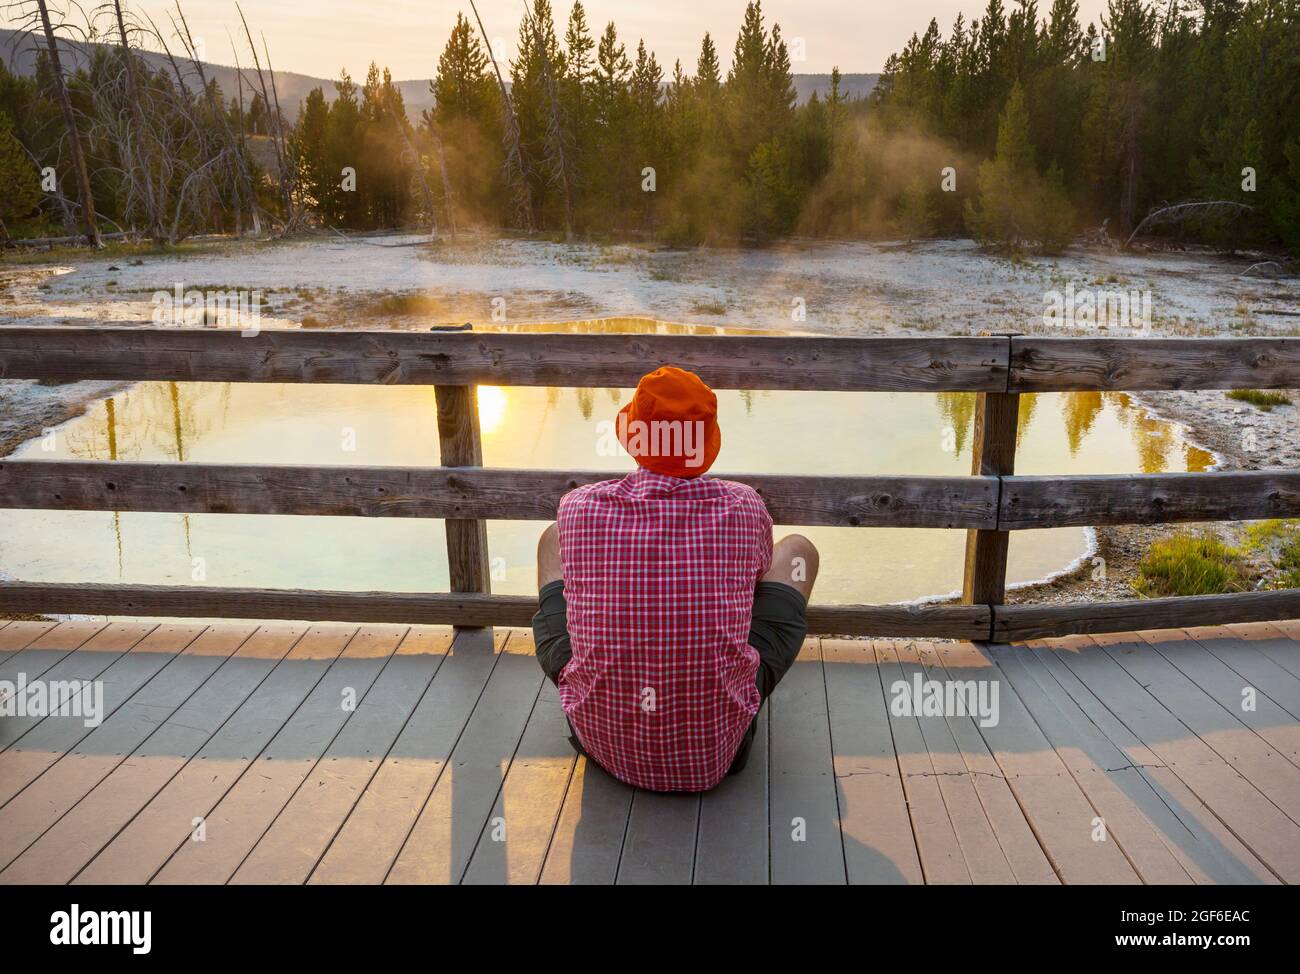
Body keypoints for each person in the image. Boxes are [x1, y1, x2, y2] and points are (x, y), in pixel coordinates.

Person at [531, 365, 819, 792]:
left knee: (552, 540)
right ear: (705, 445)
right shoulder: (743, 507)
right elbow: (758, 575)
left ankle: (605, 687)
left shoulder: (577, 508)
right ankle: (714, 684)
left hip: (598, 743)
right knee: (797, 551)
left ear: (634, 437)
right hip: (715, 756)